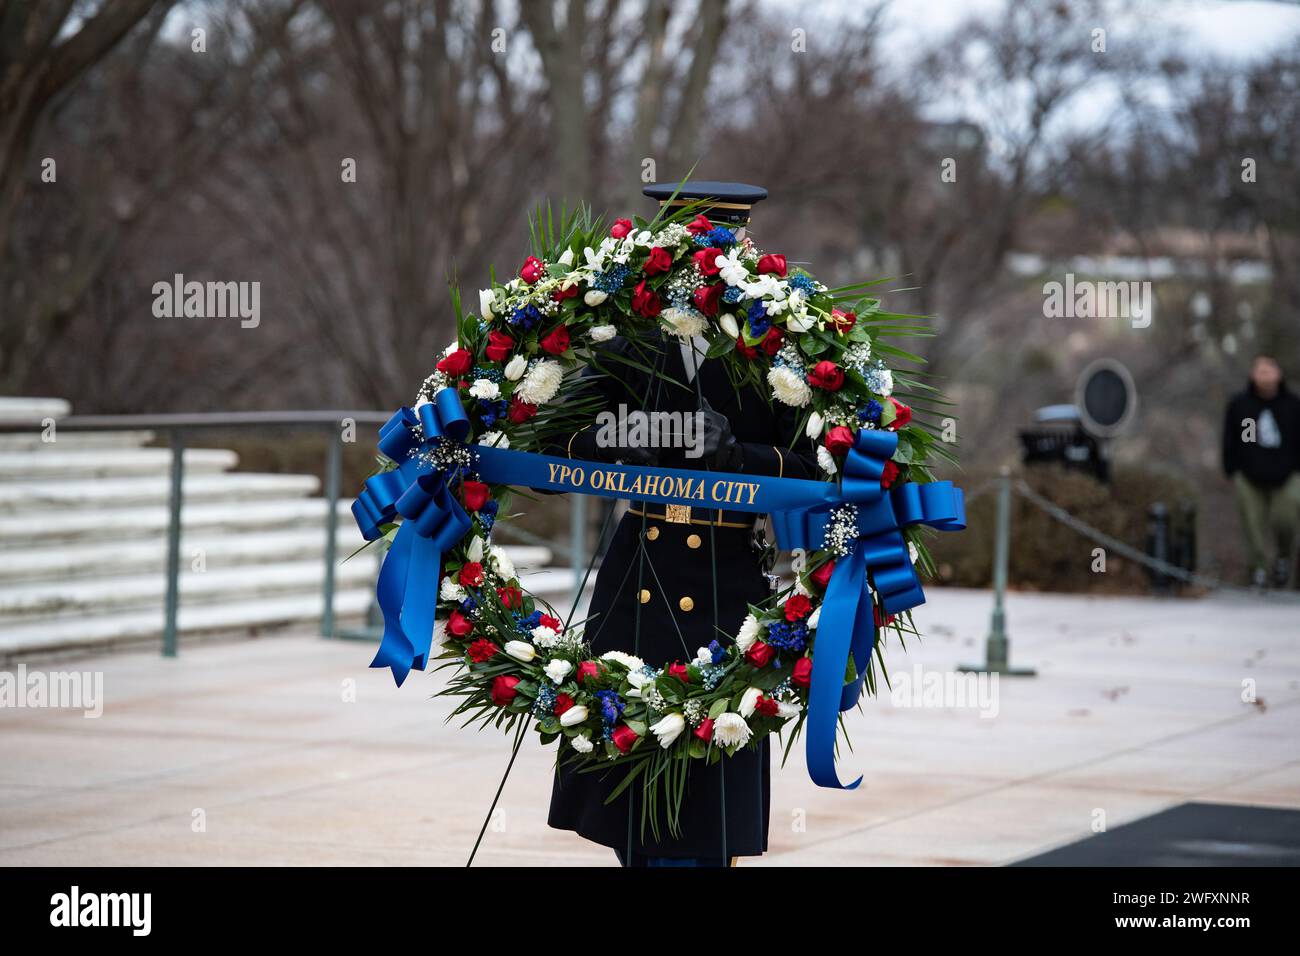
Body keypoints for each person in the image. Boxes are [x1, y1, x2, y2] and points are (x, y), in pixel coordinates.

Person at [546, 182, 820, 866]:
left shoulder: (773, 339)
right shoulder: (628, 332)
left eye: (713, 253)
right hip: (641, 569)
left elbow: (819, 465)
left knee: (708, 803)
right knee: (631, 802)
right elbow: (558, 433)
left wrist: (741, 455)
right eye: (686, 251)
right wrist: (621, 433)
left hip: (725, 581)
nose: (698, 269)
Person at [1222, 354, 1300, 588]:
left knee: (1285, 518)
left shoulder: (1293, 405)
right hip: (1249, 475)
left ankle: (1283, 560)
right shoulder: (1241, 405)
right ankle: (1258, 569)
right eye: (1260, 370)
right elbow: (1233, 438)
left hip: (1287, 475)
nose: (1264, 375)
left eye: (1269, 370)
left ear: (1278, 373)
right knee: (1253, 525)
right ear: (1252, 374)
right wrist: (1232, 468)